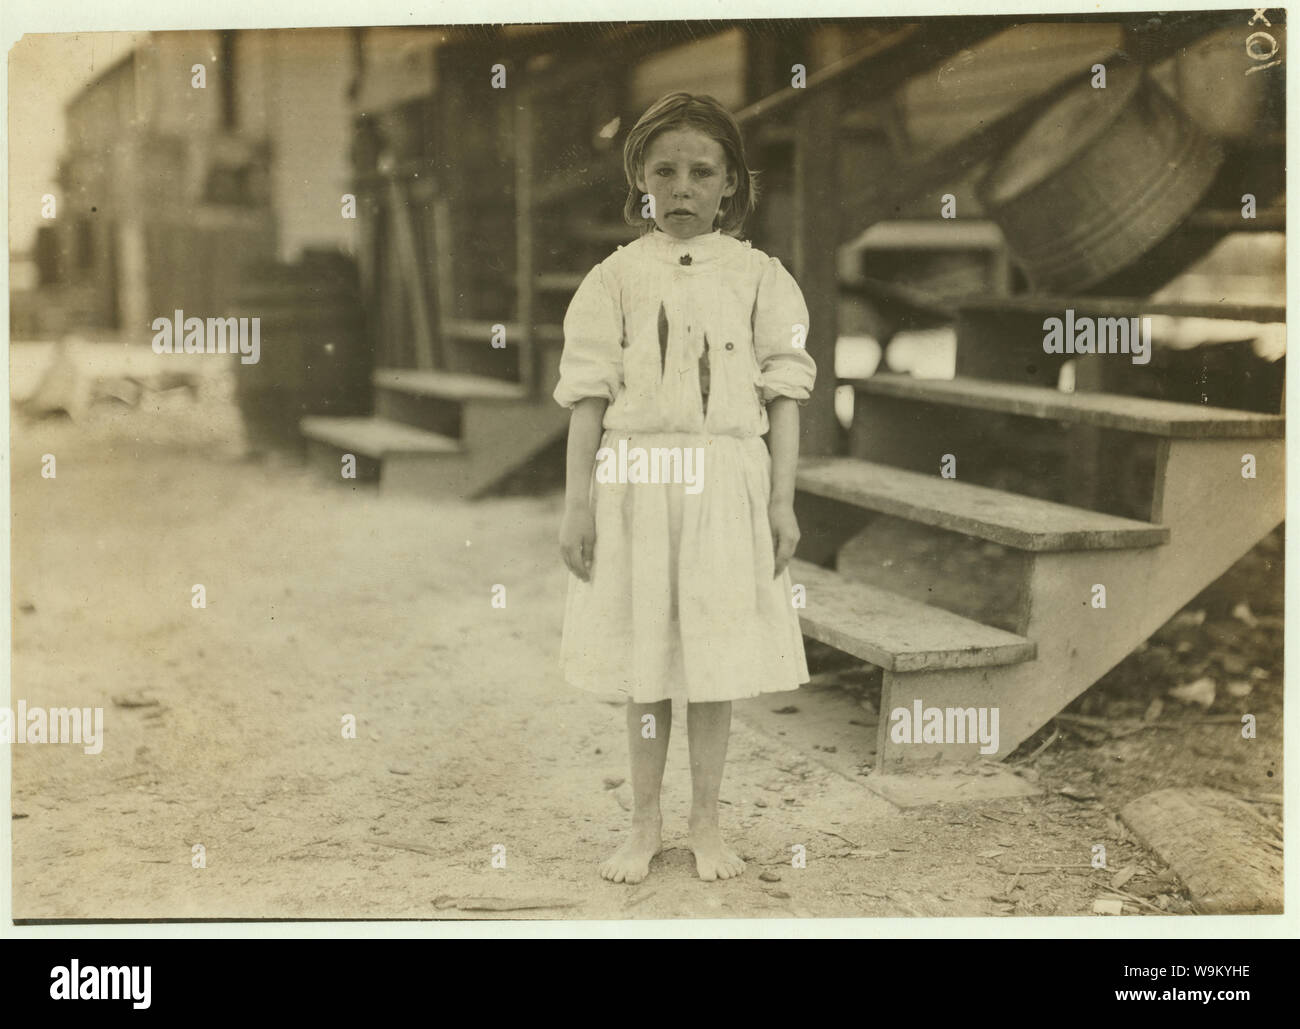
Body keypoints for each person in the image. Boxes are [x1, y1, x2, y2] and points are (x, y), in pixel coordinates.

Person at [554, 92, 816, 884]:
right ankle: (643, 826)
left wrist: (781, 500)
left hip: (725, 481)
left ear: (732, 184)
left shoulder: (764, 277)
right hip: (638, 478)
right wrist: (577, 503)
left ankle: (706, 822)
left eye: (703, 172)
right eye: (664, 170)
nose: (682, 187)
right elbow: (588, 397)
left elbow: (785, 393)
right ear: (639, 179)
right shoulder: (614, 278)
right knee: (646, 660)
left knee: (711, 660)